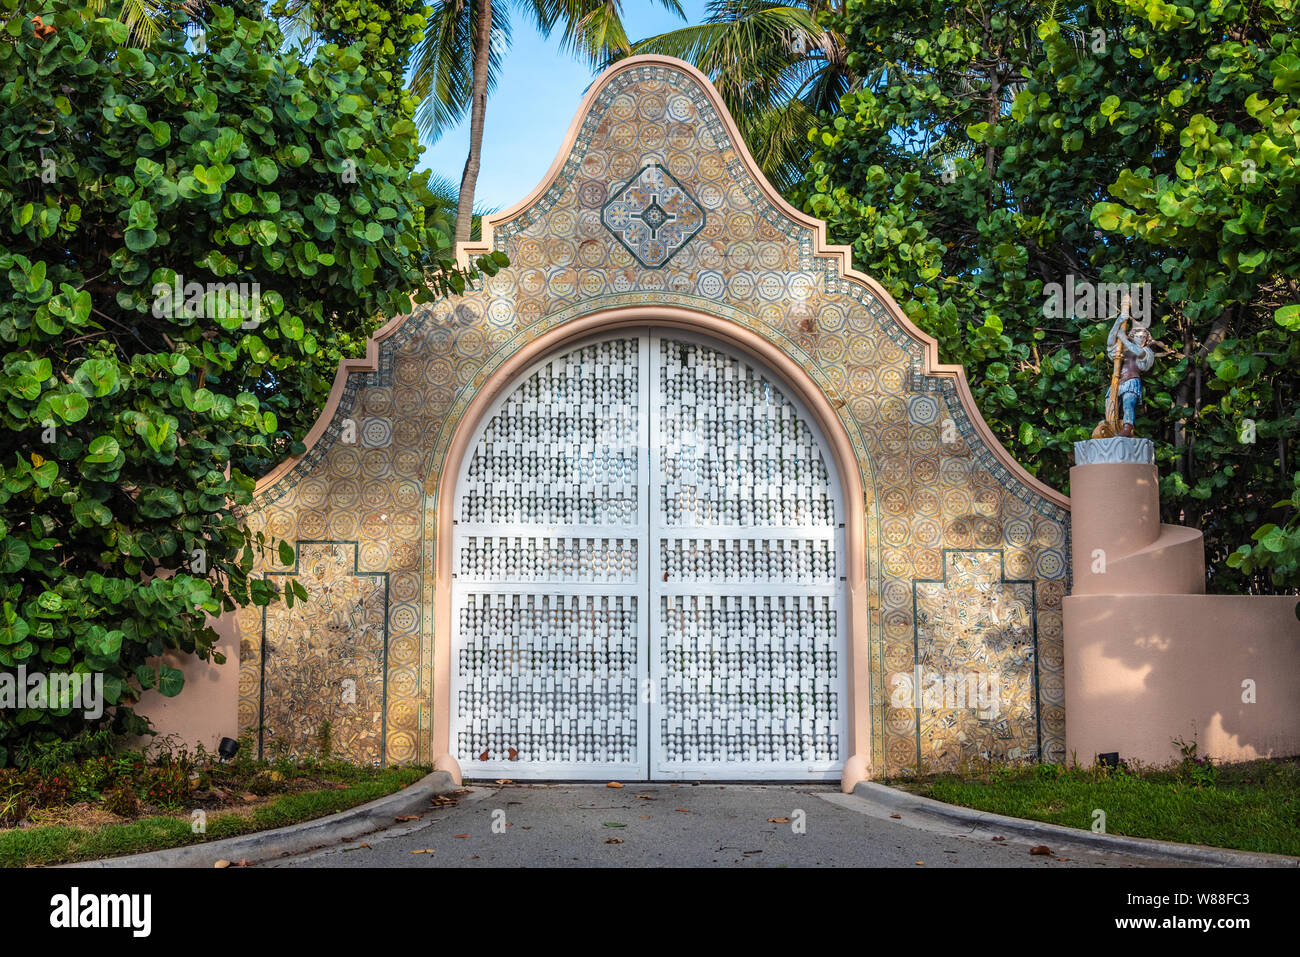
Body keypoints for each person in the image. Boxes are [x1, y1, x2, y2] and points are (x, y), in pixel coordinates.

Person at [1106, 305, 1155, 438]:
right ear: (1133, 336)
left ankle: (1127, 427)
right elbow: (1110, 343)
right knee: (1110, 403)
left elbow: (1138, 352)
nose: (1141, 338)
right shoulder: (1124, 350)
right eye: (1138, 336)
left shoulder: (1146, 352)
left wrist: (1123, 339)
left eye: (1143, 337)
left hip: (1131, 381)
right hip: (1117, 380)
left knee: (1128, 403)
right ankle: (1110, 425)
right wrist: (1118, 322)